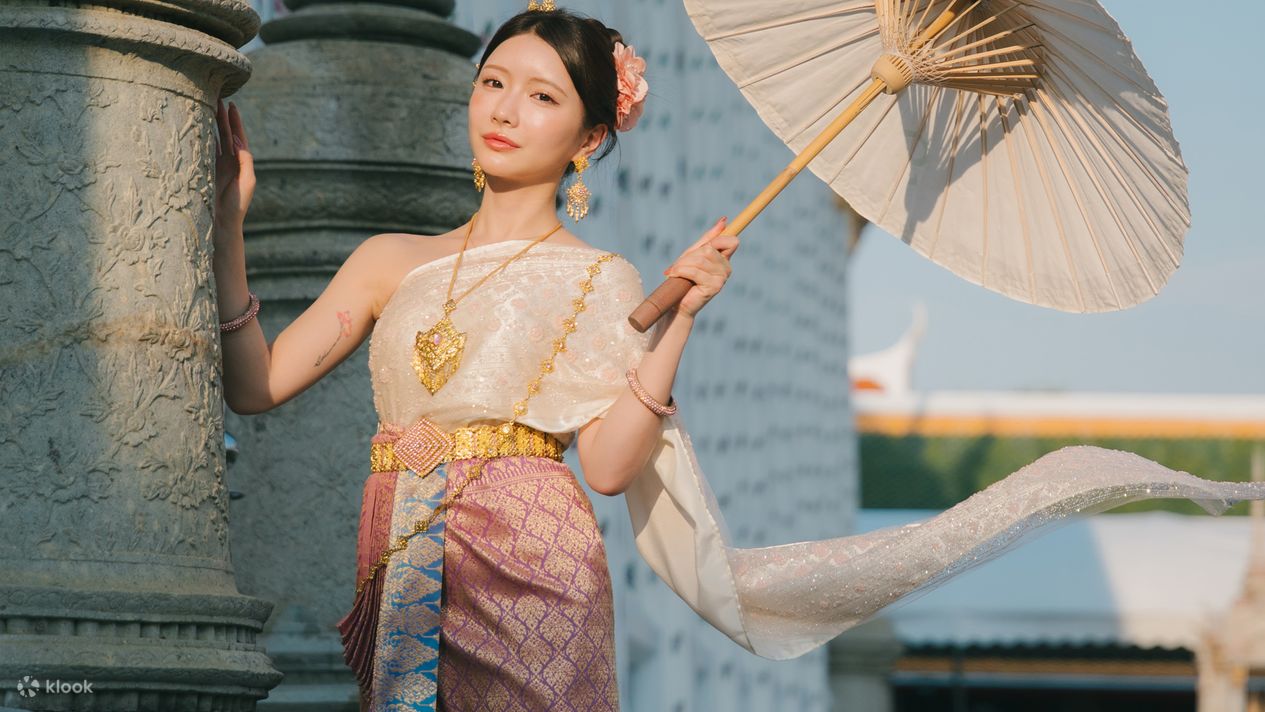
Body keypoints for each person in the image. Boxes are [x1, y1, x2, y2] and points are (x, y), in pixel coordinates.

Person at [212, 5, 1265, 712]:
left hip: (537, 559)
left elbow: (614, 466)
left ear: (585, 137)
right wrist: (229, 215)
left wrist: (682, 318)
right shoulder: (388, 261)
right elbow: (256, 383)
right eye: (494, 81)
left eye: (540, 95)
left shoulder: (604, 282)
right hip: (400, 542)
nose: (502, 109)